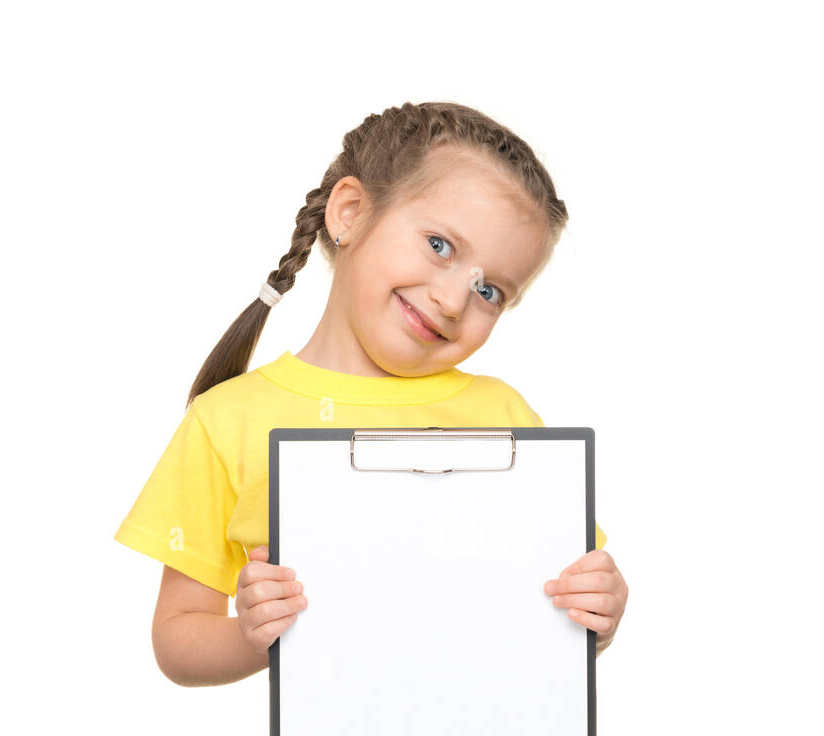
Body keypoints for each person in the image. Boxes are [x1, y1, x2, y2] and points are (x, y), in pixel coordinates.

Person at [114, 101, 629, 687]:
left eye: (490, 291)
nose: (453, 301)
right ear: (351, 213)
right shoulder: (226, 421)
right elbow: (177, 638)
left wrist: (603, 614)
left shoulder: (505, 418)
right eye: (439, 245)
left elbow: (569, 598)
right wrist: (248, 635)